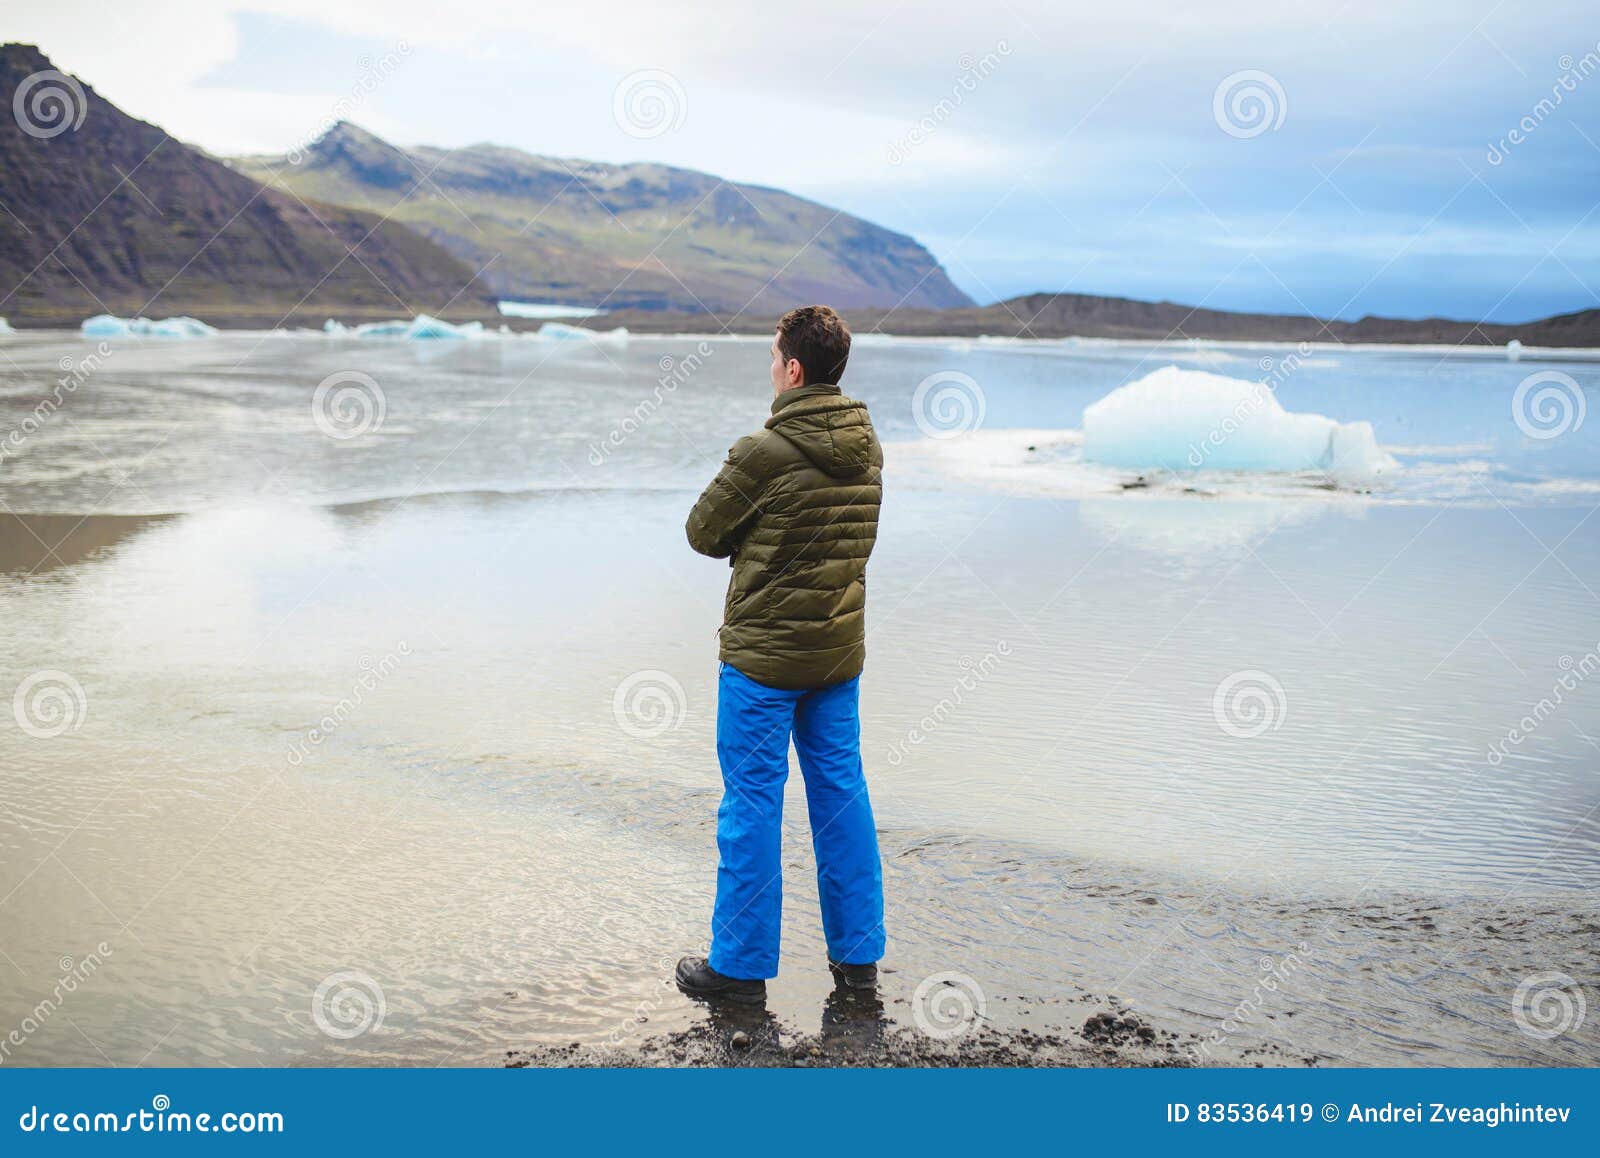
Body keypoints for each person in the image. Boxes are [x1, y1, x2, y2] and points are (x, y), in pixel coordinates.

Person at [674, 305, 885, 1005]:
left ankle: (739, 969)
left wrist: (754, 540)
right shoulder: (867, 444)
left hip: (764, 660)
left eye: (773, 357)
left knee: (753, 805)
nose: (771, 369)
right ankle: (857, 963)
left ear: (793, 370)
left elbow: (703, 531)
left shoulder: (762, 450)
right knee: (841, 797)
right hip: (835, 651)